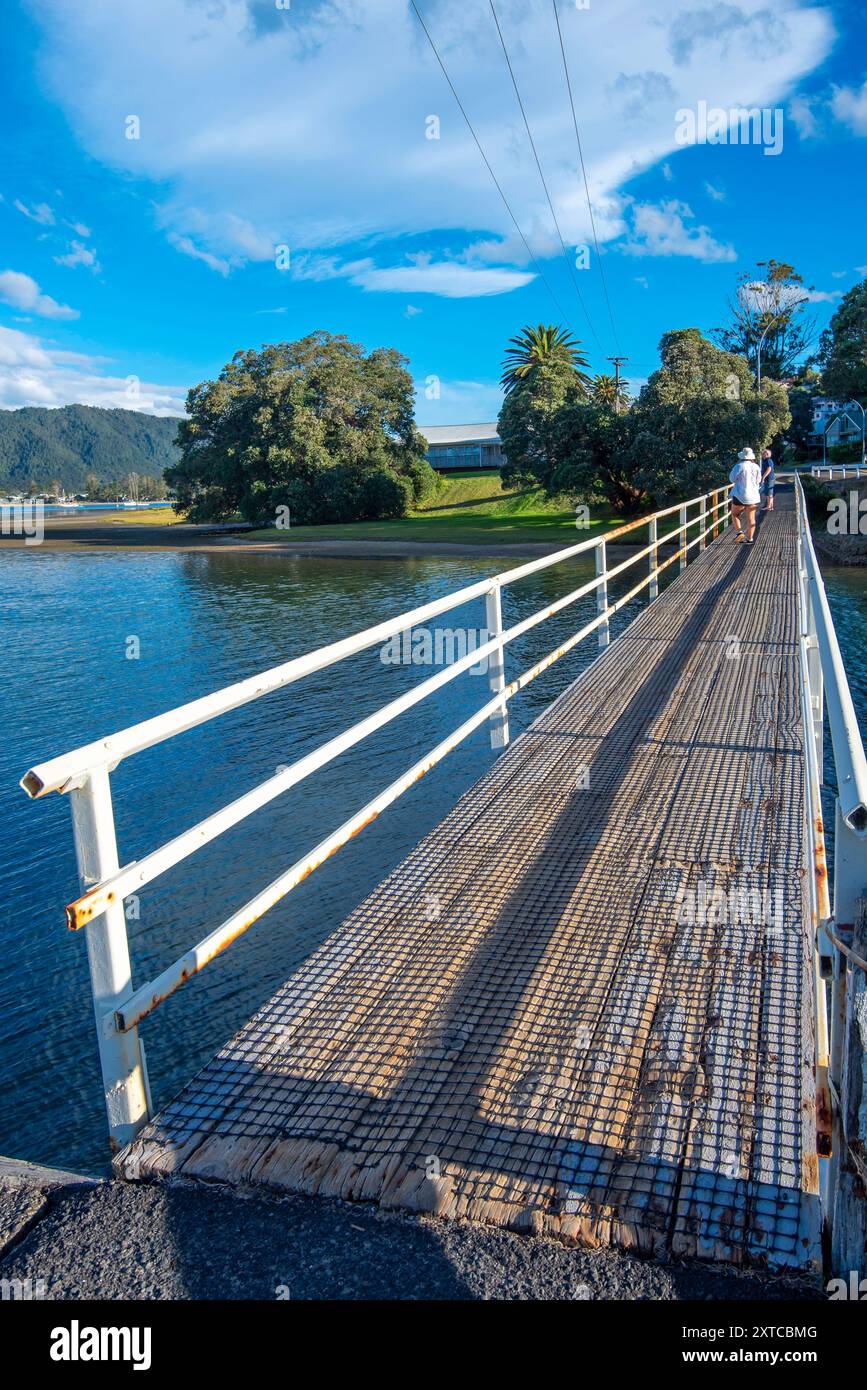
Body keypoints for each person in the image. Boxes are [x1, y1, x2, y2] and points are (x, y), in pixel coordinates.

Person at [729, 446, 762, 544]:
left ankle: (739, 532)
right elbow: (758, 480)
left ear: (742, 456)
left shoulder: (739, 466)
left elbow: (732, 479)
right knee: (751, 518)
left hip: (740, 495)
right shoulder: (756, 466)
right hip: (753, 495)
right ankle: (750, 539)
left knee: (735, 514)